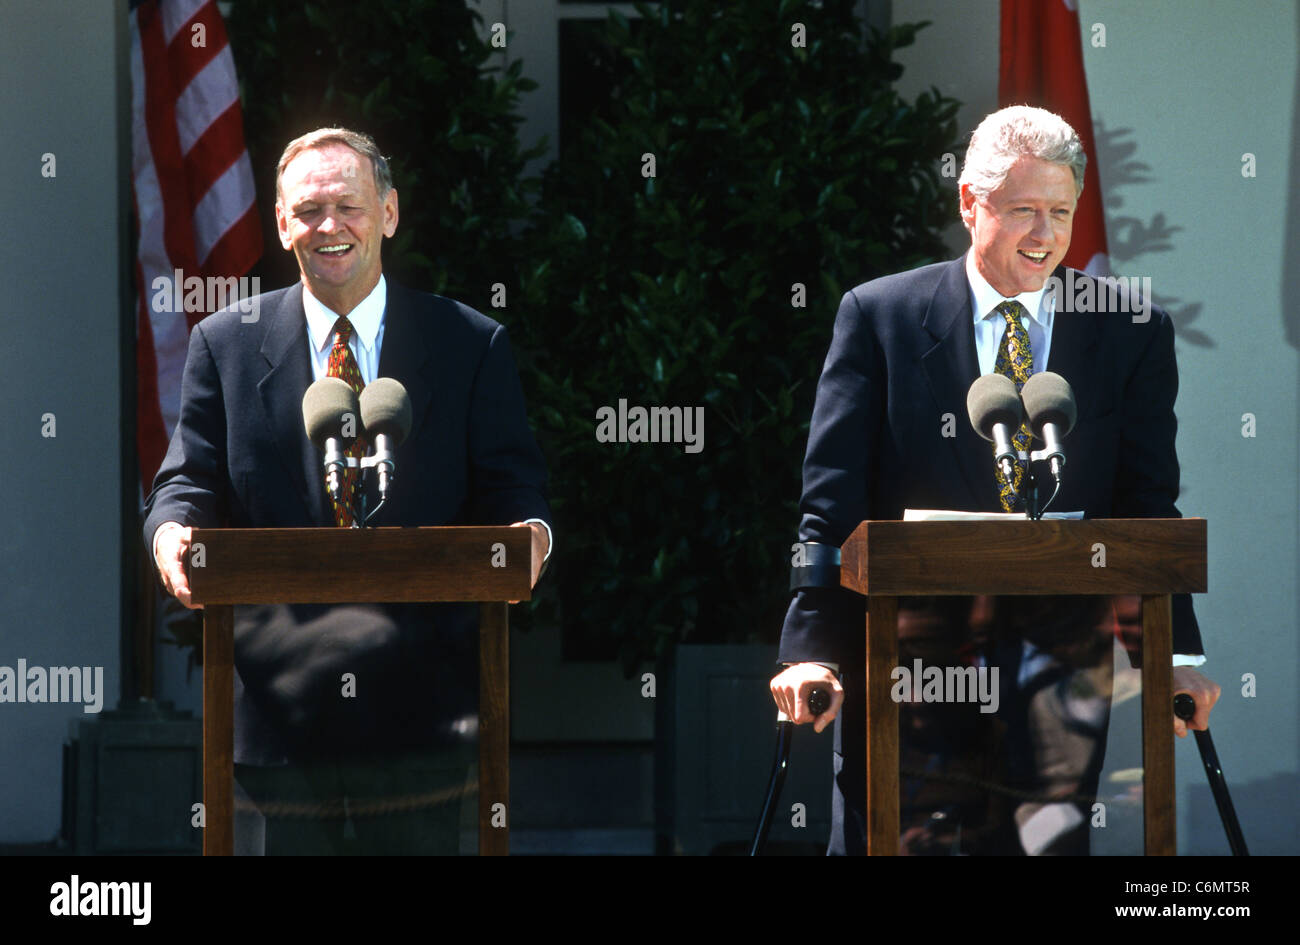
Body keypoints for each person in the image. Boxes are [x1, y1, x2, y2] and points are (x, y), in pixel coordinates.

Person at [769, 106, 1220, 855]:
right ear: (968, 203)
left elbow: (1147, 507)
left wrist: (1173, 657)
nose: (1044, 235)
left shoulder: (1128, 327)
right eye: (1022, 211)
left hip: (1058, 678)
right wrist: (810, 647)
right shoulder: (880, 317)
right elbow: (831, 506)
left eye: (1060, 211)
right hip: (907, 665)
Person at [145, 127, 551, 854]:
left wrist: (530, 538)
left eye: (348, 206)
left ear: (389, 213)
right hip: (281, 715)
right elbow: (186, 482)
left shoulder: (468, 342)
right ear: (280, 224)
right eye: (306, 210)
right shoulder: (224, 344)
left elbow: (513, 487)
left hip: (420, 716)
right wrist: (171, 533)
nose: (328, 226)